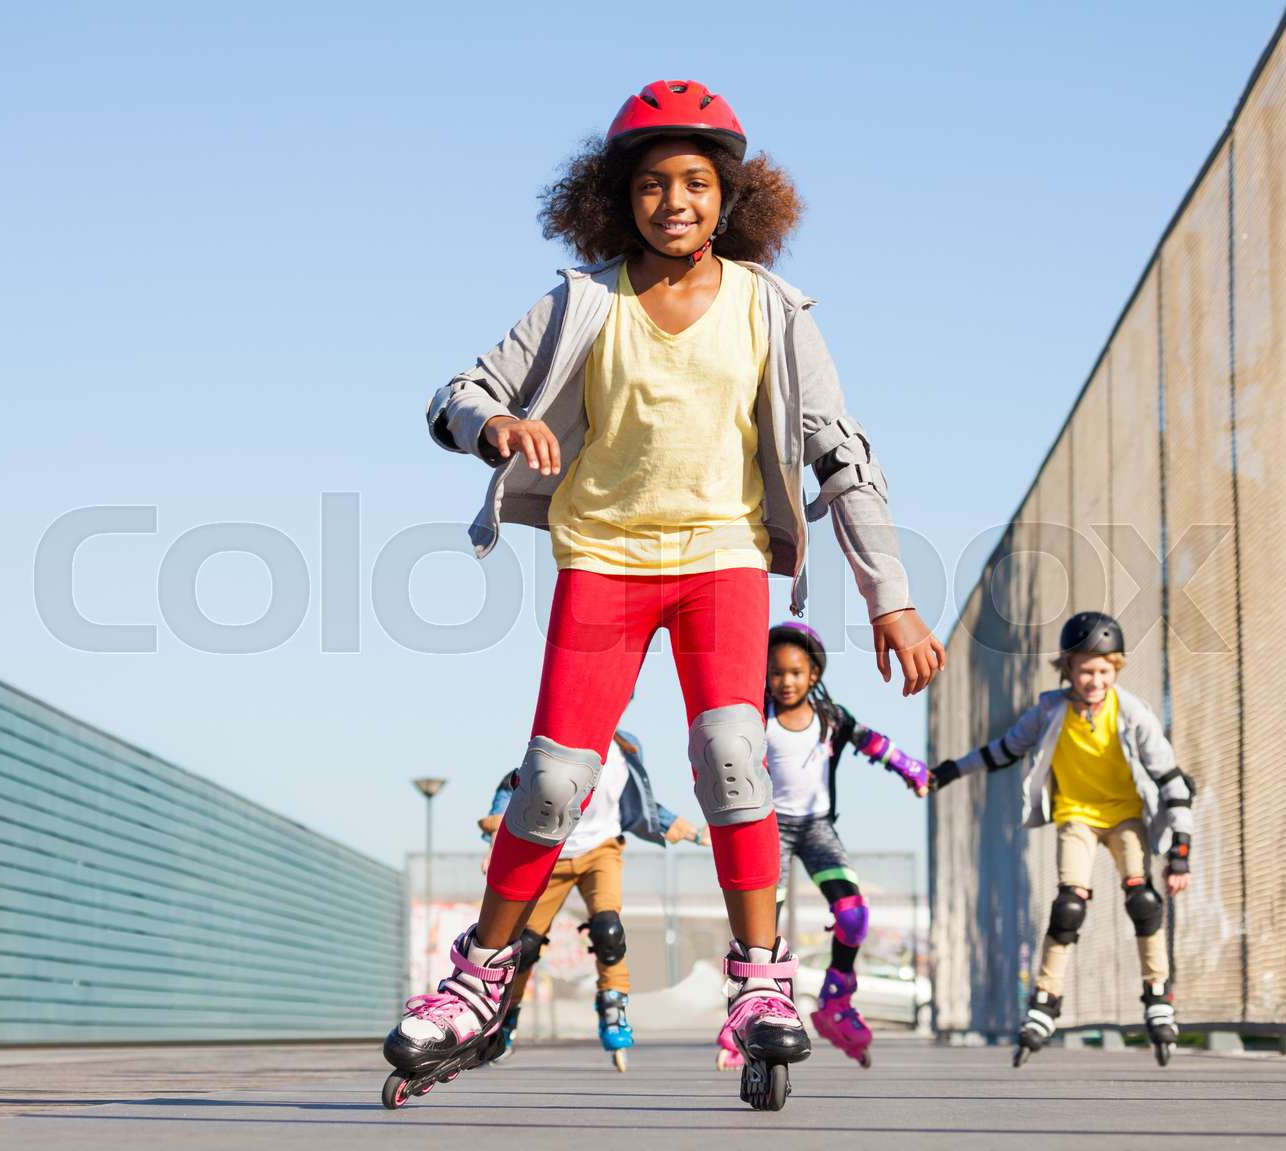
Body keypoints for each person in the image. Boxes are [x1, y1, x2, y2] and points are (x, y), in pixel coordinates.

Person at [383, 79, 945, 1112]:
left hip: (721, 557)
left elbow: (840, 456)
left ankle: (760, 976)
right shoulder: (580, 302)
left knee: (731, 754)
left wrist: (890, 598)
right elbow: (451, 396)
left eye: (694, 181)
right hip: (601, 556)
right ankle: (479, 974)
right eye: (650, 184)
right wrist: (495, 430)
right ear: (616, 198)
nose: (672, 200)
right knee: (551, 779)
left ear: (730, 196)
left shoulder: (771, 308)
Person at [930, 611, 1194, 1066]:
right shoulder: (1050, 710)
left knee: (1143, 899)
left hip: (1127, 816)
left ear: (1117, 669)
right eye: (1086, 670)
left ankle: (1157, 991)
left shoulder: (1132, 713)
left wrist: (1182, 853)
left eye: (1104, 671)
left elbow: (1173, 781)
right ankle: (1046, 998)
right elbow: (1004, 750)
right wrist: (953, 770)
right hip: (1077, 817)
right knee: (1069, 904)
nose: (1095, 680)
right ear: (1067, 669)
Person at [715, 621, 928, 1071]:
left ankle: (837, 999)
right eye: (775, 673)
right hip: (770, 827)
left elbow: (872, 742)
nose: (785, 681)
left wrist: (910, 768)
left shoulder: (831, 719)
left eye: (795, 672)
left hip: (817, 830)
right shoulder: (757, 717)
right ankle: (751, 1006)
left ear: (813, 674)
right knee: (760, 927)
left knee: (853, 914)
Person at [477, 728, 703, 1071]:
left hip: (602, 850)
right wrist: (497, 835)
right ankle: (506, 1020)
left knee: (608, 929)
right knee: (524, 945)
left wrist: (684, 829)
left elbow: (641, 801)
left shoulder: (625, 747)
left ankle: (613, 1009)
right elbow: (515, 785)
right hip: (550, 852)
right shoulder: (558, 734)